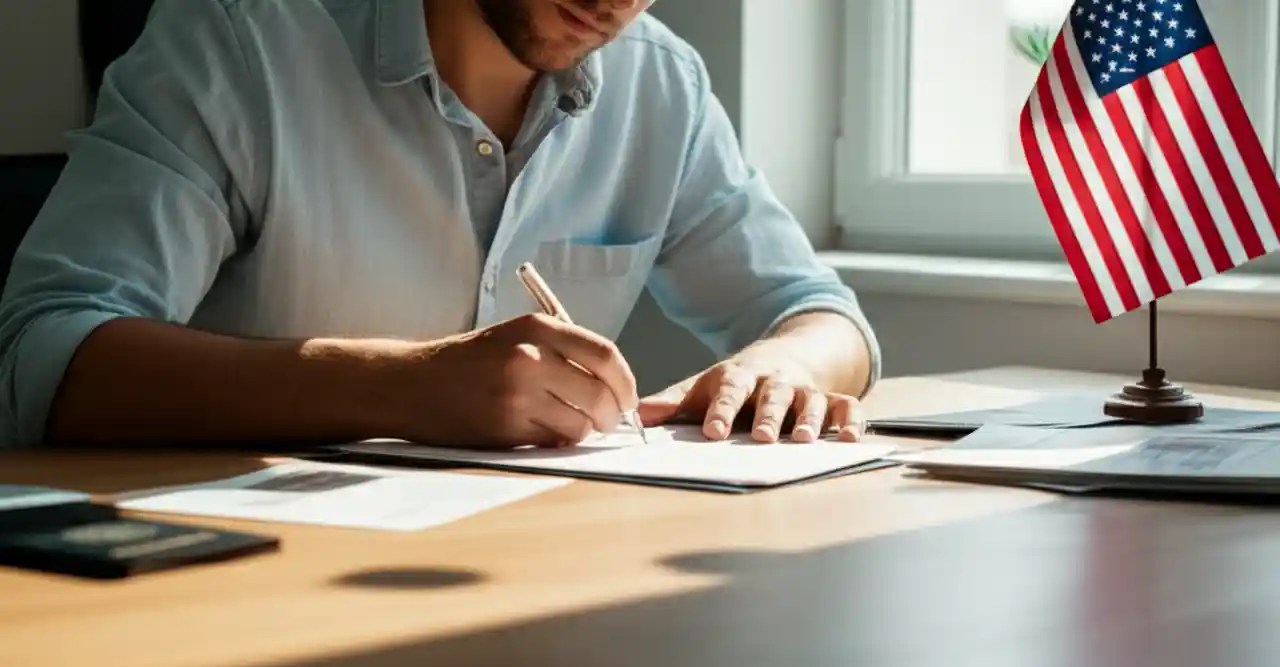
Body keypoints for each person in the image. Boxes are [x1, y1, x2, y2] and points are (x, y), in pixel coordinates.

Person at [0, 0, 880, 449]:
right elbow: (40, 357)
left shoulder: (661, 87)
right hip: (230, 597)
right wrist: (397, 384)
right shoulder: (239, 44)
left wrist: (779, 368)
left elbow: (822, 316)